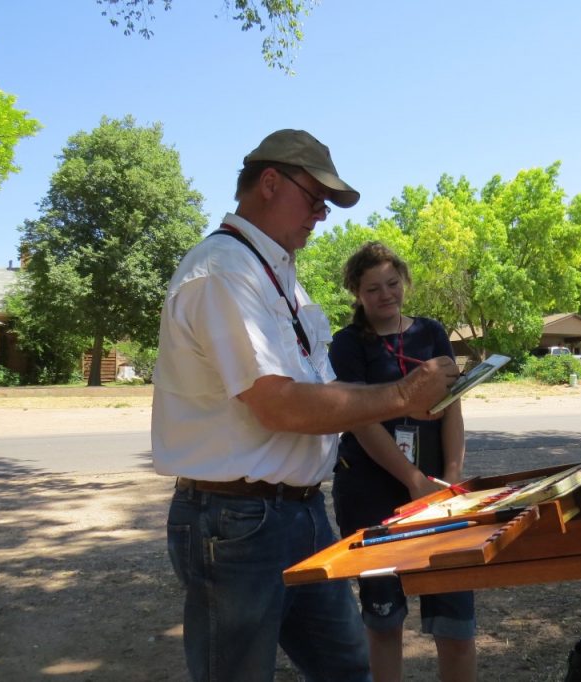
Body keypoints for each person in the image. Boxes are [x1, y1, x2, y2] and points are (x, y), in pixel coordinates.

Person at [151, 130, 460, 682]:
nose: (321, 215)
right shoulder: (224, 270)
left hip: (299, 513)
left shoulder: (277, 275)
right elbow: (277, 405)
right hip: (238, 521)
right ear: (270, 183)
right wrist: (400, 396)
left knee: (349, 669)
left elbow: (317, 396)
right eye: (315, 198)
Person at [330, 242, 478, 682]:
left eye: (392, 284)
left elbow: (452, 405)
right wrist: (413, 480)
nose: (385, 295)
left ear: (404, 282)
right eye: (372, 288)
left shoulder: (431, 332)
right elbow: (360, 421)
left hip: (438, 493)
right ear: (356, 292)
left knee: (455, 622)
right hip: (370, 493)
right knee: (383, 619)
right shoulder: (347, 344)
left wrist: (450, 479)